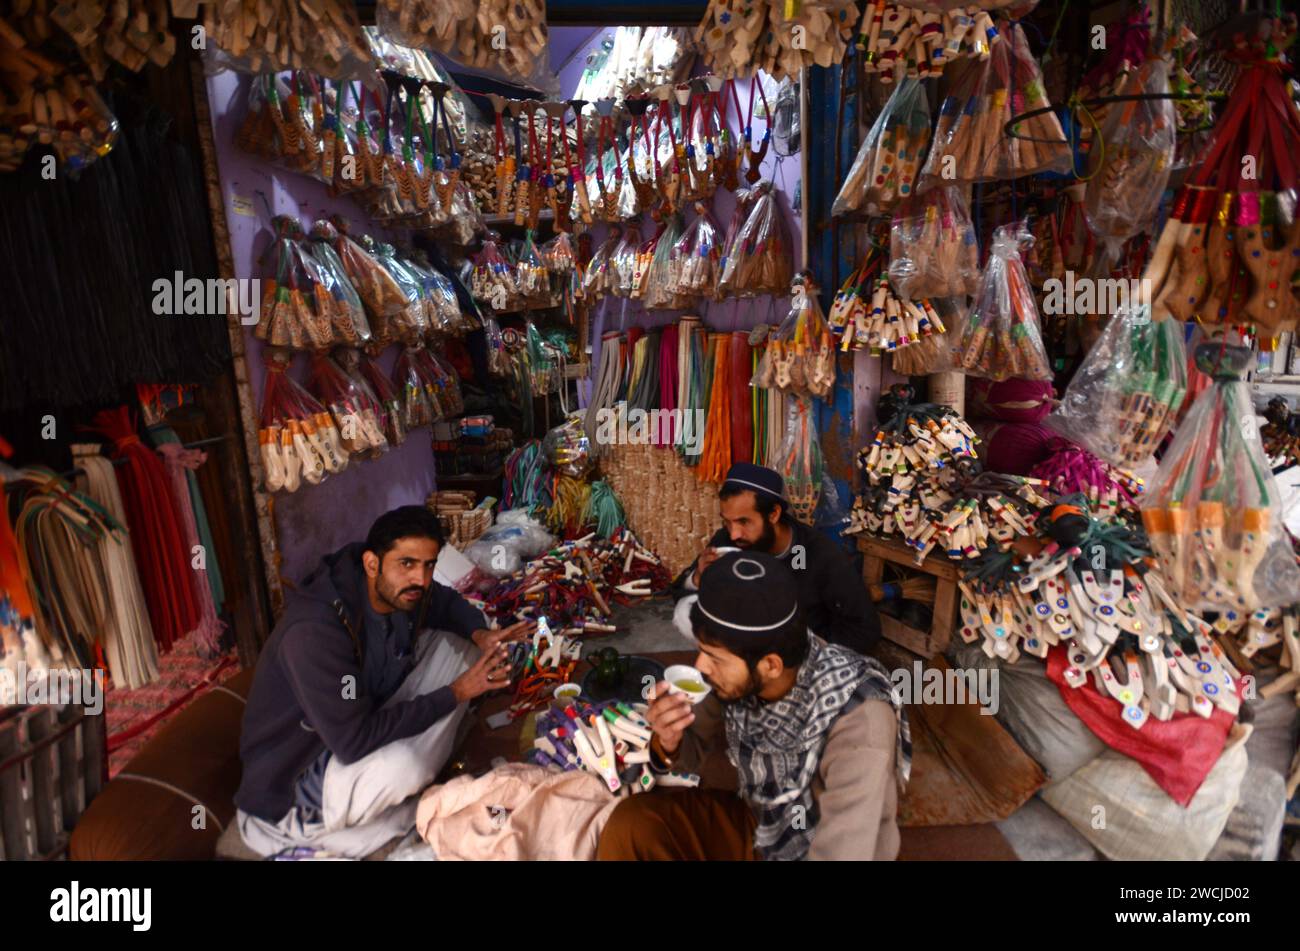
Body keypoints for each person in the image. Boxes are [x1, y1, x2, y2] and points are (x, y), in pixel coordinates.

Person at [235, 505, 529, 858]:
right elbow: (353, 741)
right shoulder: (315, 632)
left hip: (364, 712)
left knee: (467, 642)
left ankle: (424, 756)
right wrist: (458, 692)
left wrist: (482, 635)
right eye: (406, 564)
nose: (420, 579)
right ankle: (413, 777)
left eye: (429, 564)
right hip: (299, 778)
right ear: (372, 563)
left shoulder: (402, 589)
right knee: (407, 767)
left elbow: (445, 602)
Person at [598, 551, 910, 861]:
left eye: (715, 657)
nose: (700, 666)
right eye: (702, 650)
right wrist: (668, 740)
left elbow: (845, 852)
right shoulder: (742, 674)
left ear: (771, 666)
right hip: (763, 822)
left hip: (824, 844)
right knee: (633, 827)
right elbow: (690, 750)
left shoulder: (859, 718)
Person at [671, 461, 881, 654]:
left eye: (744, 522)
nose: (734, 533)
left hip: (796, 650)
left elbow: (864, 628)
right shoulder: (728, 540)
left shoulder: (818, 552)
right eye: (727, 522)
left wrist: (808, 655)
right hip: (744, 639)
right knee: (685, 611)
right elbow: (679, 591)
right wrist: (698, 577)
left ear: (773, 514)